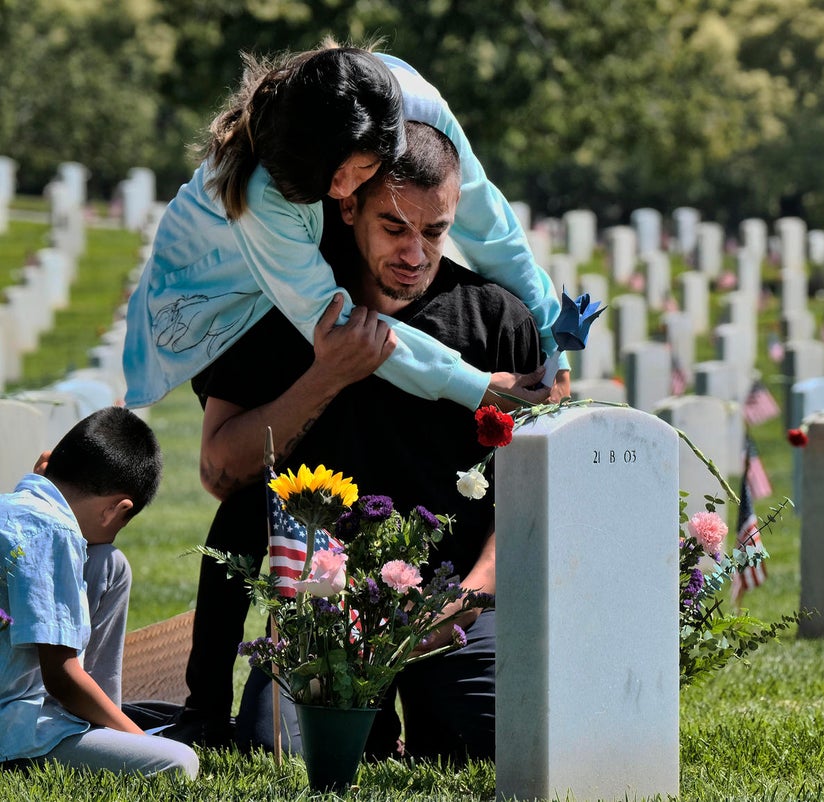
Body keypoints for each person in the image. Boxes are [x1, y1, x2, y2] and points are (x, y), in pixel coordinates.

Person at [175, 121, 532, 759]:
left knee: (489, 743)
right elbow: (219, 473)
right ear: (348, 206)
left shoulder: (497, 319)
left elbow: (534, 494)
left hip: (454, 606)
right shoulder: (275, 307)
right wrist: (329, 373)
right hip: (322, 609)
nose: (416, 254)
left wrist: (468, 596)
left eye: (435, 230)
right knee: (284, 753)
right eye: (395, 227)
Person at [122, 40, 569, 418]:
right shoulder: (262, 189)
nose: (341, 193)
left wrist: (554, 338)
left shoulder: (419, 105)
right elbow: (338, 324)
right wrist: (476, 386)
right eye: (329, 179)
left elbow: (491, 229)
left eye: (359, 171)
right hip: (221, 294)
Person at [0, 408, 198, 778]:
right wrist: (139, 740)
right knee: (178, 761)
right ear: (115, 510)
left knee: (109, 562)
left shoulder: (11, 508)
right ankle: (104, 728)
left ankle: (104, 720)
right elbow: (61, 676)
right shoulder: (54, 532)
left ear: (48, 463)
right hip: (11, 724)